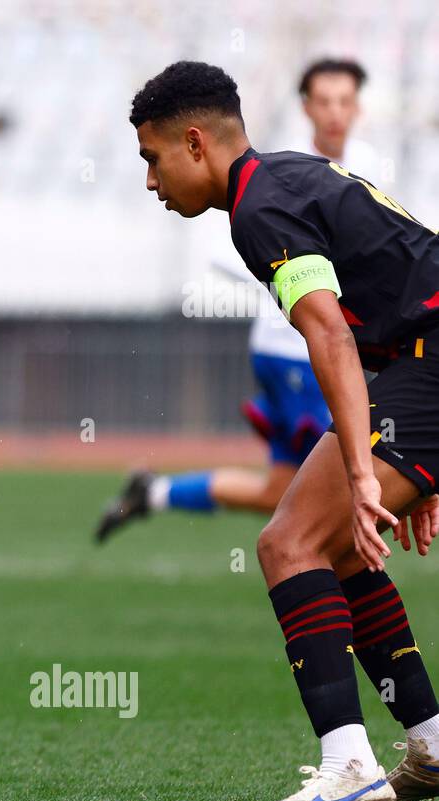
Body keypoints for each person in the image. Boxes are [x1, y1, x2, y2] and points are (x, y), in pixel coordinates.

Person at [130, 60, 439, 801]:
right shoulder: (285, 178)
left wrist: (365, 469)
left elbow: (329, 329)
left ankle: (348, 767)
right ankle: (432, 745)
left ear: (194, 142)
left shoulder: (258, 207)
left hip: (428, 362)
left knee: (288, 544)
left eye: (150, 157)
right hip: (420, 362)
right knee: (330, 549)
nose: (149, 180)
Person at [96, 60, 376, 541]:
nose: (335, 113)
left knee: (282, 494)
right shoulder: (270, 169)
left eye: (344, 101)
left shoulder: (365, 164)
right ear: (306, 107)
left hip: (324, 343)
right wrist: (293, 274)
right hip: (294, 349)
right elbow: (240, 253)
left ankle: (155, 493)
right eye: (324, 101)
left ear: (358, 108)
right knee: (338, 505)